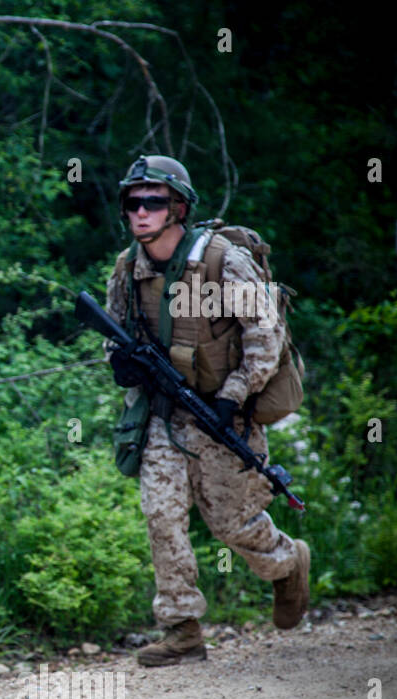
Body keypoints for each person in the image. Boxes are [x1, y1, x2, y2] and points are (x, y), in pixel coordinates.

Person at [103, 155, 311, 666]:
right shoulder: (129, 268)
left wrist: (232, 396)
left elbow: (266, 337)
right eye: (134, 202)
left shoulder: (220, 260)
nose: (141, 212)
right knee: (161, 513)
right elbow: (114, 333)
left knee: (232, 524)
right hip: (161, 413)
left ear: (178, 207)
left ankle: (288, 563)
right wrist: (123, 364)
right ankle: (181, 627)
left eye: (153, 202)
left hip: (224, 412)